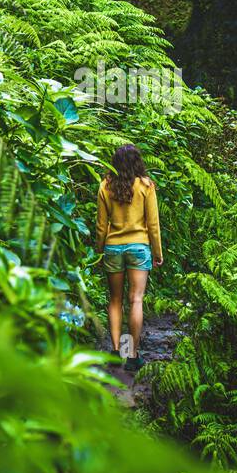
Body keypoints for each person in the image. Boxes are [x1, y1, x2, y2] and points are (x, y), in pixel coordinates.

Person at [95, 143, 163, 368]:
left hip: (113, 248)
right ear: (137, 162)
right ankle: (132, 357)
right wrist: (157, 252)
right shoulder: (146, 185)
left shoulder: (105, 186)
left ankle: (115, 352)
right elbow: (153, 224)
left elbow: (101, 225)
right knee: (135, 300)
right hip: (139, 248)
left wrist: (99, 249)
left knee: (115, 300)